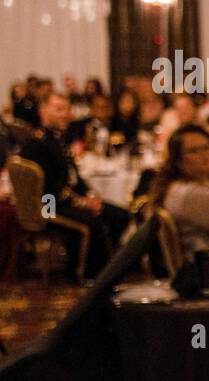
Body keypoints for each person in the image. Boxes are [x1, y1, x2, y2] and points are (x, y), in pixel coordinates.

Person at [19, 91, 130, 277]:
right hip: (48, 206)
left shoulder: (57, 138)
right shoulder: (36, 143)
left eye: (67, 109)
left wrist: (90, 196)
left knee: (120, 216)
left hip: (65, 200)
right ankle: (90, 275)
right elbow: (49, 189)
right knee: (94, 223)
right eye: (59, 109)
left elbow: (74, 178)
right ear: (43, 111)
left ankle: (109, 266)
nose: (65, 114)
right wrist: (81, 203)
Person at [148, 124, 209, 256]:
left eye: (207, 147)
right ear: (178, 161)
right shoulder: (191, 195)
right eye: (194, 150)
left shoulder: (195, 184)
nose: (205, 154)